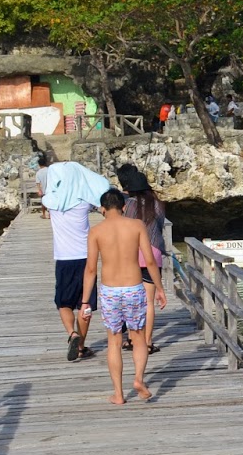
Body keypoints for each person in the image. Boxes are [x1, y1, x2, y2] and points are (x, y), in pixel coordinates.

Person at [81, 188, 167, 404]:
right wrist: (160, 288)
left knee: (114, 341)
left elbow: (90, 269)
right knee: (138, 337)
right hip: (133, 287)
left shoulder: (96, 231)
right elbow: (149, 261)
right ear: (123, 206)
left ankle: (118, 395)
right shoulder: (136, 225)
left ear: (102, 209)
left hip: (110, 290)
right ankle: (138, 379)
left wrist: (84, 301)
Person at [40, 159, 110, 360]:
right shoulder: (84, 201)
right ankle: (81, 346)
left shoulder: (50, 202)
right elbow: (100, 189)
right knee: (85, 303)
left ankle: (72, 333)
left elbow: (50, 189)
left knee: (64, 303)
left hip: (64, 259)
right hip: (86, 258)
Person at [118, 164, 168, 355]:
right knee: (148, 301)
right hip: (152, 254)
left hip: (131, 255)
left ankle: (131, 338)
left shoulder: (127, 205)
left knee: (131, 300)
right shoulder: (158, 205)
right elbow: (161, 226)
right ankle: (147, 342)